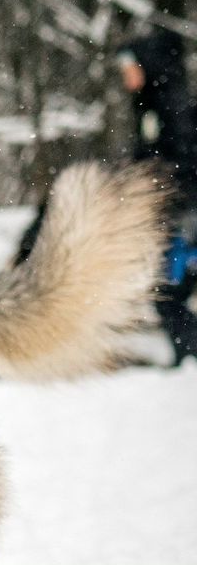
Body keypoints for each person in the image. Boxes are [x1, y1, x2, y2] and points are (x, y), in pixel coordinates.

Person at [118, 28, 197, 366]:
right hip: (171, 211)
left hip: (181, 215)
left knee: (168, 291)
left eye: (129, 69)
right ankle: (186, 356)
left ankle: (188, 356)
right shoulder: (151, 103)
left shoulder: (171, 104)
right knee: (168, 291)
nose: (125, 77)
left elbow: (179, 160)